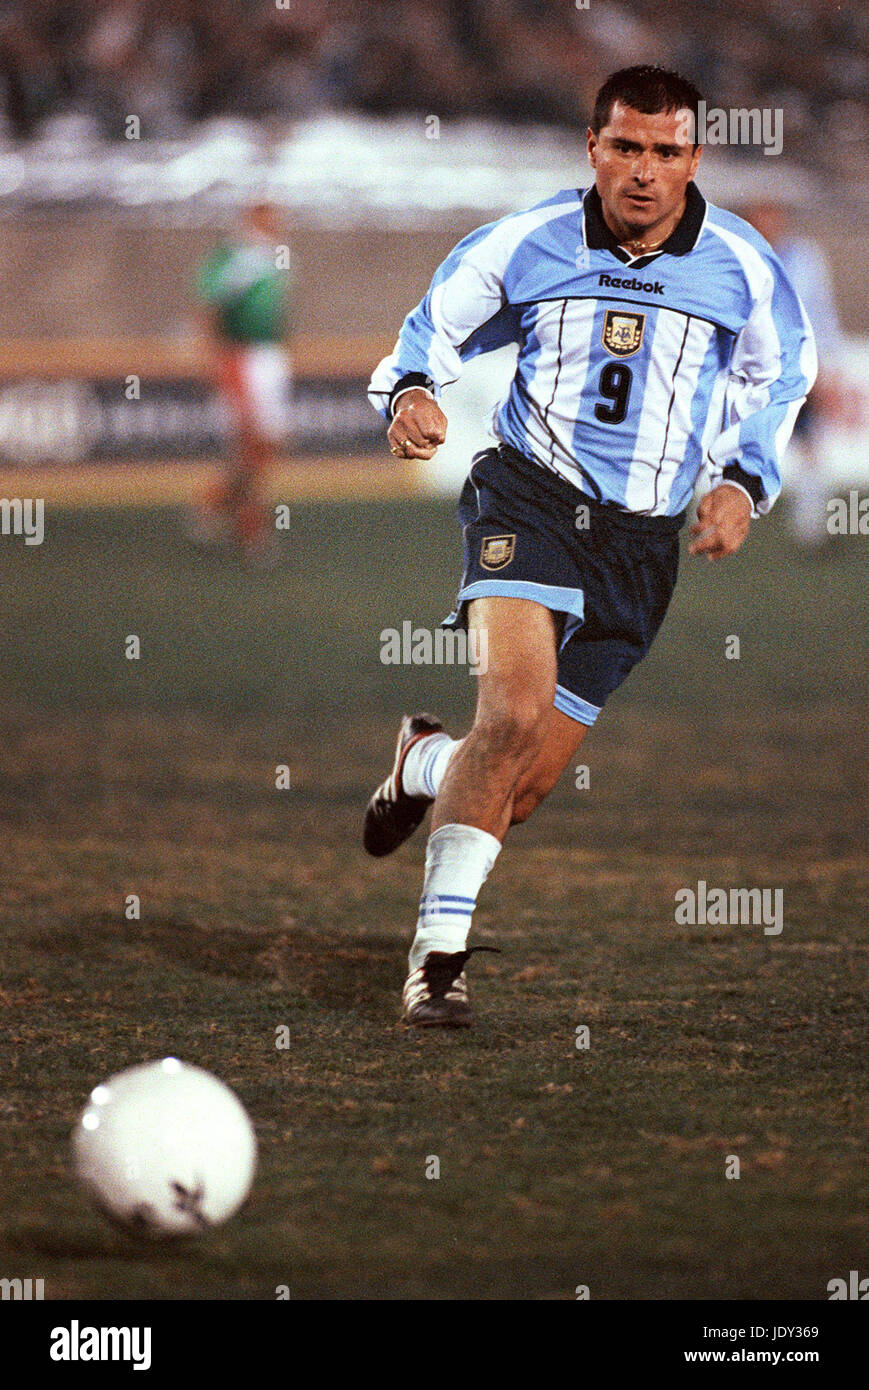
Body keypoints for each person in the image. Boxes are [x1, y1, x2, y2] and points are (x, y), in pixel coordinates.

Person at [365, 65, 817, 1028]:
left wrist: (741, 482)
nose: (643, 172)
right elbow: (430, 329)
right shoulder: (530, 241)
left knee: (516, 789)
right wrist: (409, 392)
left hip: (640, 547)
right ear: (593, 148)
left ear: (694, 158)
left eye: (664, 152)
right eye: (625, 148)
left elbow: (781, 376)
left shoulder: (738, 265)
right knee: (514, 711)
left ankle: (421, 764)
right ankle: (435, 961)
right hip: (528, 502)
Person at [742, 201, 845, 552]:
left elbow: (821, 310)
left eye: (774, 211)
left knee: (810, 445)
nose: (769, 219)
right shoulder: (739, 252)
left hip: (798, 367)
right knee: (726, 437)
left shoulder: (805, 257)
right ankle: (710, 514)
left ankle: (811, 525)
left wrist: (827, 366)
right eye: (761, 211)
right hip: (748, 366)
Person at [192, 201, 292, 559]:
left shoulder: (275, 256)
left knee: (268, 444)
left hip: (268, 357)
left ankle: (214, 502)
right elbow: (210, 306)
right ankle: (251, 530)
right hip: (242, 356)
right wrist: (217, 359)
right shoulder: (233, 257)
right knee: (250, 440)